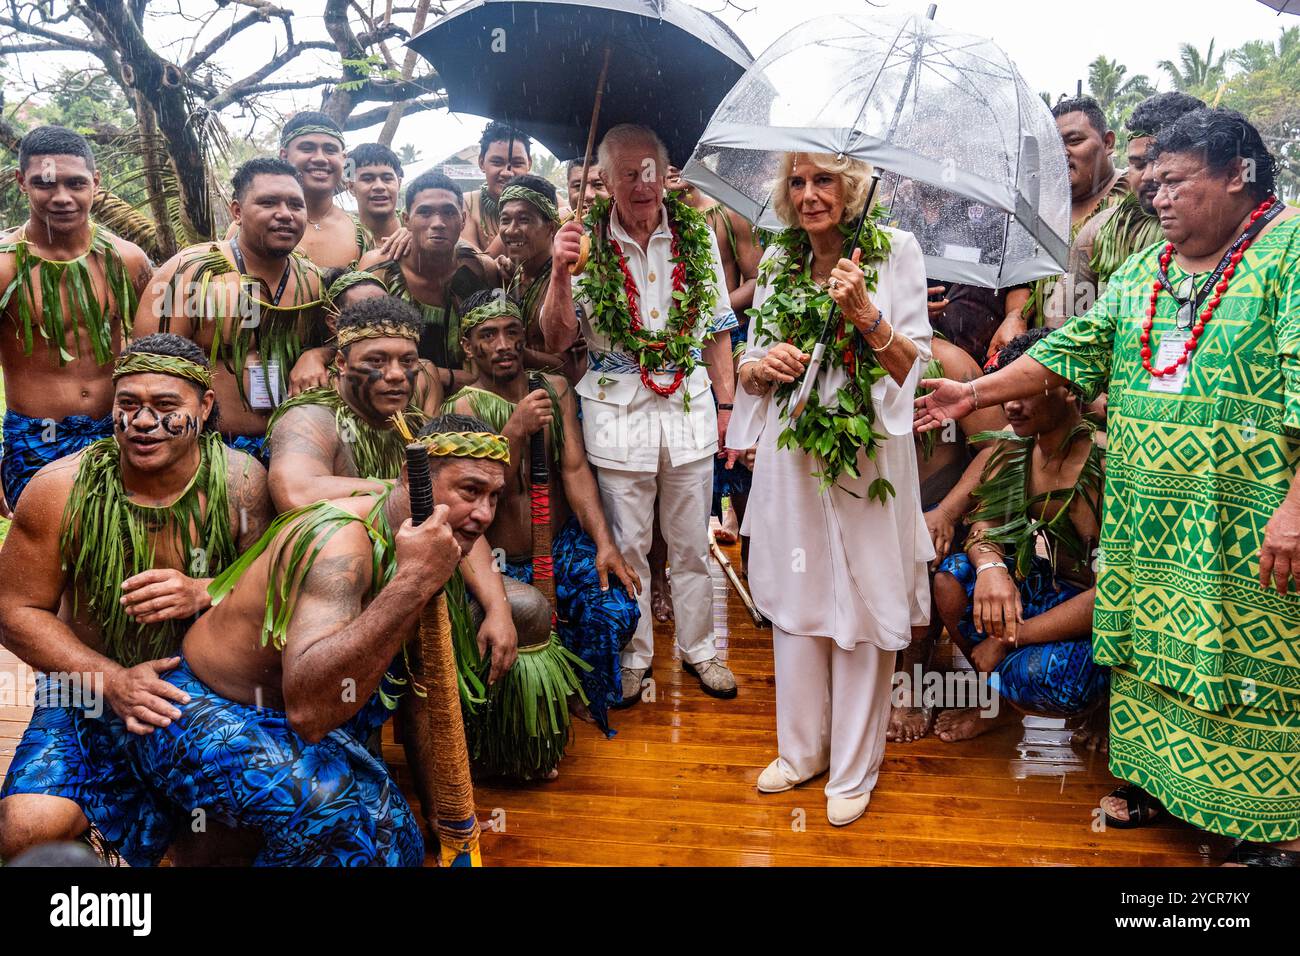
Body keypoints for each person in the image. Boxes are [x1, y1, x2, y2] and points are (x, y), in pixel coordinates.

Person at [916, 109, 1300, 865]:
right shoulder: (1145, 271)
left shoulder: (1291, 252)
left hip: (1248, 525)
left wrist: (1296, 508)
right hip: (1152, 526)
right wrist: (978, 393)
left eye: (1174, 182)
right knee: (1155, 658)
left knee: (1256, 669)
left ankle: (1278, 830)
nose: (1156, 197)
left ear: (1237, 176)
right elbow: (1072, 347)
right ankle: (1164, 785)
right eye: (1150, 182)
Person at [125, 415, 507, 865]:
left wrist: (443, 812)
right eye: (469, 491)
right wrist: (415, 581)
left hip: (275, 715)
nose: (484, 514)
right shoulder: (340, 542)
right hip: (188, 710)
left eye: (494, 497)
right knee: (331, 812)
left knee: (395, 840)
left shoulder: (420, 538)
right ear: (412, 476)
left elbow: (422, 690)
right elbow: (310, 711)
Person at [0, 335, 272, 866]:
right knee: (24, 832)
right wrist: (112, 681)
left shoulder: (243, 484)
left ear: (205, 406)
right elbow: (13, 611)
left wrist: (209, 589)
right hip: (87, 695)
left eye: (167, 407)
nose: (144, 422)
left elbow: (272, 598)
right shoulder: (60, 488)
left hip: (205, 696)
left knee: (238, 831)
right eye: (129, 405)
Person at [728, 151, 931, 826]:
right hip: (794, 453)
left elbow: (913, 370)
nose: (810, 194)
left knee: (867, 602)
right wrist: (763, 367)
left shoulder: (896, 249)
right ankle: (801, 750)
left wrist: (868, 314)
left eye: (823, 180)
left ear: (852, 187)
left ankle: (852, 767)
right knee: (795, 595)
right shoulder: (781, 261)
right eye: (797, 181)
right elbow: (749, 364)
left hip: (869, 457)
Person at [541, 123, 739, 703]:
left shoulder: (696, 239)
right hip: (616, 419)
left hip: (689, 414)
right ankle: (634, 657)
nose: (642, 183)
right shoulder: (583, 242)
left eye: (650, 169)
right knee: (628, 548)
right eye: (627, 173)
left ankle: (701, 650)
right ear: (602, 180)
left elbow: (720, 334)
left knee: (690, 546)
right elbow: (557, 339)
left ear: (665, 170)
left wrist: (726, 409)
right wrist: (558, 271)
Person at [449, 289, 642, 735]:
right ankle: (524, 708)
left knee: (614, 606)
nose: (503, 344)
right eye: (488, 335)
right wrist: (514, 433)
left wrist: (605, 544)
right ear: (468, 346)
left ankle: (581, 687)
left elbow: (574, 470)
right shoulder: (461, 407)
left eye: (512, 332)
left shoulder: (553, 390)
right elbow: (478, 493)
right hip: (497, 561)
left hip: (558, 545)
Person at [929, 328, 1107, 742]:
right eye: (1006, 386)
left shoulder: (1106, 463)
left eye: (1025, 389)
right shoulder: (1016, 446)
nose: (1010, 403)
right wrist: (991, 566)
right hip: (1043, 588)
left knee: (1035, 676)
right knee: (951, 580)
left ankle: (1107, 707)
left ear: (1068, 390)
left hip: (1096, 618)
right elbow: (984, 523)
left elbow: (1117, 594)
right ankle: (997, 704)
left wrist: (1009, 638)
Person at [0, 126, 152, 512]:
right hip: (36, 437)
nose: (62, 197)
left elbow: (158, 350)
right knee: (45, 559)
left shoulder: (126, 259)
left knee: (121, 552)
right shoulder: (3, 266)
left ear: (96, 183)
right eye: (45, 184)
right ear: (22, 183)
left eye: (76, 183)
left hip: (116, 431)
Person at [134, 157, 325, 464]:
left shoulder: (312, 280)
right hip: (210, 449)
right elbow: (147, 372)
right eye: (268, 203)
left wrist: (316, 354)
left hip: (293, 449)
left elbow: (342, 351)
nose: (285, 214)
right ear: (237, 211)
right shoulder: (191, 273)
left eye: (295, 205)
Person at [890, 336, 1006, 743]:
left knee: (928, 556)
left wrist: (948, 511)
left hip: (943, 508)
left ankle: (913, 670)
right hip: (876, 504)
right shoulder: (845, 355)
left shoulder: (951, 363)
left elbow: (999, 449)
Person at [664, 165, 762, 553]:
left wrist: (704, 313)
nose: (672, 167)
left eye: (682, 156)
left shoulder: (727, 213)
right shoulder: (650, 218)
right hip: (670, 349)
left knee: (735, 451)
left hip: (728, 340)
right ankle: (676, 559)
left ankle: (751, 558)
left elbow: (755, 280)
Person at [990, 96, 1127, 349]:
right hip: (1042, 364)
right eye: (1053, 144)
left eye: (1074, 141)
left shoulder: (1135, 202)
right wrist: (1015, 317)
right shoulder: (1039, 206)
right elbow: (1023, 278)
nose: (1062, 153)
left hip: (1106, 359)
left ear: (1108, 142)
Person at [359, 170, 500, 392]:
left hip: (474, 397)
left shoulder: (480, 269)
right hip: (395, 394)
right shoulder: (378, 269)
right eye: (424, 213)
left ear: (463, 219)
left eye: (448, 212)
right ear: (406, 220)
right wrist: (444, 376)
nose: (438, 223)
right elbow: (360, 347)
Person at [1081, 92, 1206, 296]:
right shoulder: (1100, 229)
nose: (1149, 175)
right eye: (1137, 164)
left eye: (1159, 162)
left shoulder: (1225, 231)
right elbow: (1064, 320)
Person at [495, 174, 573, 376]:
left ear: (551, 226)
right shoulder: (514, 274)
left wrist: (509, 351)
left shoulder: (568, 282)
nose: (511, 230)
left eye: (524, 220)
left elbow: (571, 367)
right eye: (505, 220)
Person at [276, 112, 374, 269]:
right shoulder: (252, 225)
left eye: (330, 150)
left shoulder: (359, 235)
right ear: (284, 156)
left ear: (343, 159)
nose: (320, 158)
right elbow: (240, 288)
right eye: (307, 148)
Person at [462, 121, 532, 256]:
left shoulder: (541, 199)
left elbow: (567, 212)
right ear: (481, 162)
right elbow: (474, 265)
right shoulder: (466, 203)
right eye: (497, 162)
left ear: (529, 164)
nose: (507, 173)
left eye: (517, 163)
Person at [346, 142, 405, 244]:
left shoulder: (419, 232)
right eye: (368, 179)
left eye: (387, 178)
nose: (379, 187)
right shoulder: (343, 241)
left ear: (399, 184)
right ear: (351, 187)